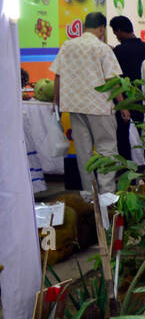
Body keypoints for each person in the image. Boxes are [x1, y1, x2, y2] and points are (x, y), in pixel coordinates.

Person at [50, 12, 124, 198]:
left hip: (74, 105)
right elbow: (112, 80)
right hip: (100, 107)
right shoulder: (102, 48)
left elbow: (57, 75)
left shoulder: (67, 46)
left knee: (83, 152)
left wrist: (56, 102)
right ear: (101, 29)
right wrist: (123, 105)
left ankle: (89, 195)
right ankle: (107, 195)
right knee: (106, 149)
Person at [109, 15, 145, 161]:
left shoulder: (118, 52)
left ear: (119, 31)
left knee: (122, 136)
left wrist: (122, 106)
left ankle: (126, 168)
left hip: (124, 99)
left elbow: (115, 80)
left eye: (115, 33)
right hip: (144, 98)